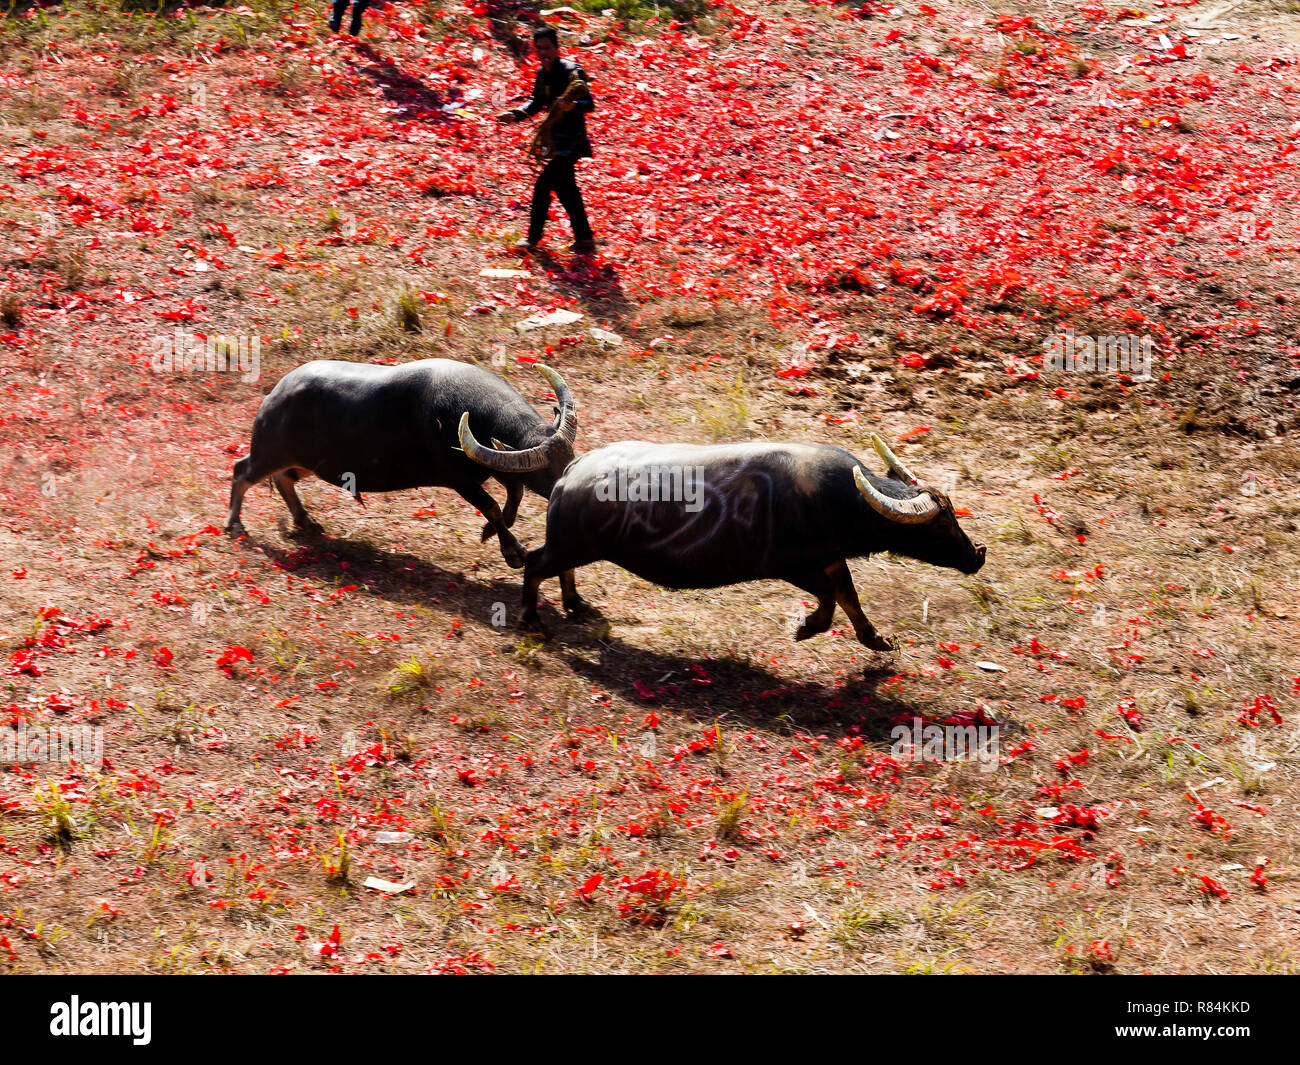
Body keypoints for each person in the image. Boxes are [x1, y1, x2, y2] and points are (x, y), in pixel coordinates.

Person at [497, 25, 597, 255]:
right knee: (566, 190)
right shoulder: (542, 73)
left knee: (542, 187)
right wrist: (515, 115)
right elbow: (536, 102)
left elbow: (589, 104)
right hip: (553, 140)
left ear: (556, 47)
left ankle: (533, 238)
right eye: (539, 49)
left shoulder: (573, 71)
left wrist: (573, 106)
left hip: (571, 141)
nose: (544, 53)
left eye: (548, 48)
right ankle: (585, 239)